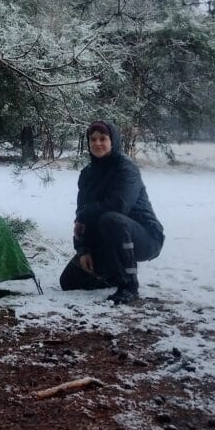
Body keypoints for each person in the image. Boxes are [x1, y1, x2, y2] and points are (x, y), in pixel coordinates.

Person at [59, 121, 165, 305]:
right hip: (109, 240)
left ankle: (129, 286)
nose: (97, 143)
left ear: (113, 141)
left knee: (112, 218)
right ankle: (114, 274)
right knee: (69, 281)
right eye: (93, 139)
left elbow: (119, 206)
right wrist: (83, 250)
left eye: (103, 138)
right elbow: (81, 215)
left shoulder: (126, 169)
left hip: (145, 238)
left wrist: (84, 215)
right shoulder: (87, 174)